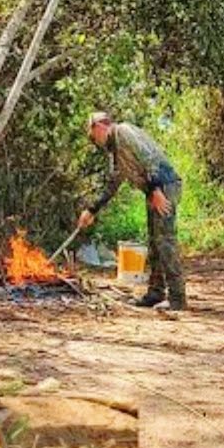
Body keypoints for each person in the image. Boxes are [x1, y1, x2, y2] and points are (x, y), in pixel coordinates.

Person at [77, 111, 185, 310]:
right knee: (154, 242)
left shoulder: (124, 132)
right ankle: (155, 293)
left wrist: (156, 189)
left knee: (165, 241)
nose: (95, 141)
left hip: (164, 186)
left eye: (93, 136)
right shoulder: (116, 151)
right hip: (154, 191)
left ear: (100, 126)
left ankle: (178, 299)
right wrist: (92, 210)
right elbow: (113, 184)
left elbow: (149, 158)